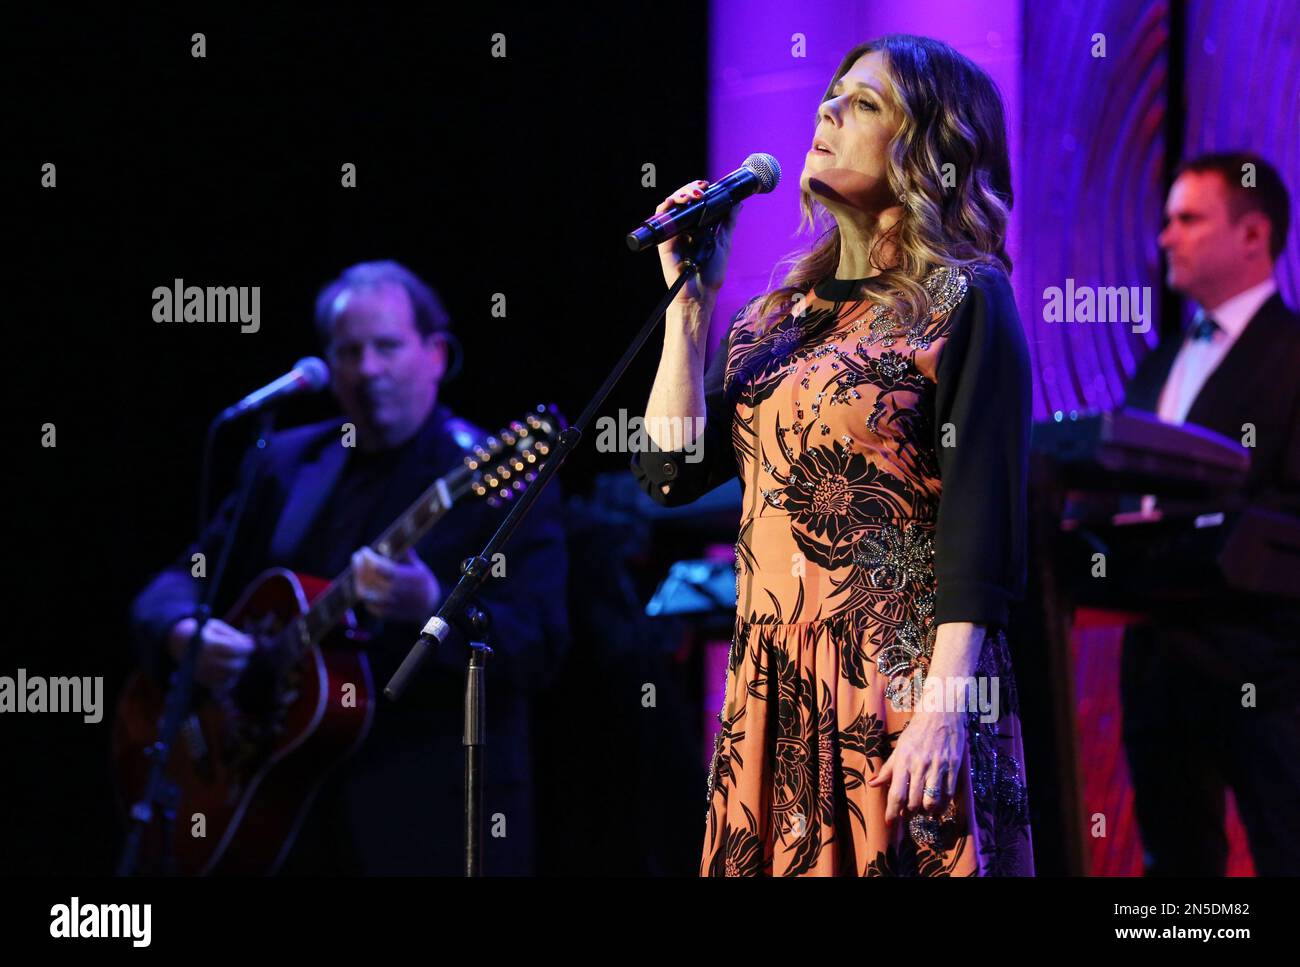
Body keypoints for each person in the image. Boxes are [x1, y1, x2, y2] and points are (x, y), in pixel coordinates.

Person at [631, 35, 1034, 876]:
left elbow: (982, 523)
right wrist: (690, 305)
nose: (827, 111)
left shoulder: (964, 298)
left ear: (930, 150)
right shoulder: (773, 321)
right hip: (772, 692)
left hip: (899, 681)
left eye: (864, 104)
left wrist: (944, 707)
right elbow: (666, 473)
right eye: (831, 95)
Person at [131, 260, 569, 875]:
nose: (367, 370)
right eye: (348, 352)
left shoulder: (494, 478)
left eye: (387, 347)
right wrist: (183, 630)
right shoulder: (285, 463)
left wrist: (433, 607)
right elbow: (182, 579)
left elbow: (542, 644)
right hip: (283, 813)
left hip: (430, 822)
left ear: (437, 354)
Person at [1121, 153, 1300, 876]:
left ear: (1254, 235)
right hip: (1159, 663)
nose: (1166, 237)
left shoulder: (1293, 356)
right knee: (1177, 879)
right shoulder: (1158, 363)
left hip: (1268, 663)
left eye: (1188, 219)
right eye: (1167, 220)